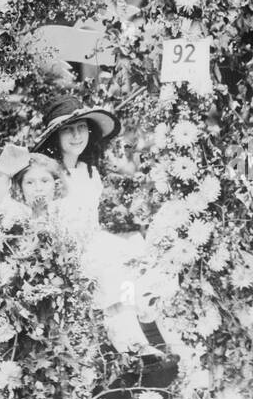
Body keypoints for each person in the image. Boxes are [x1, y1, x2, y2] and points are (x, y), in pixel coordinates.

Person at [31, 97, 174, 359]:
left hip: (94, 243)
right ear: (56, 136)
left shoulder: (89, 171)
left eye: (81, 128)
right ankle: (131, 344)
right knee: (113, 275)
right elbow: (44, 222)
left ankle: (151, 328)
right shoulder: (47, 175)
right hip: (67, 253)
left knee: (137, 261)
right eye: (68, 130)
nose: (76, 136)